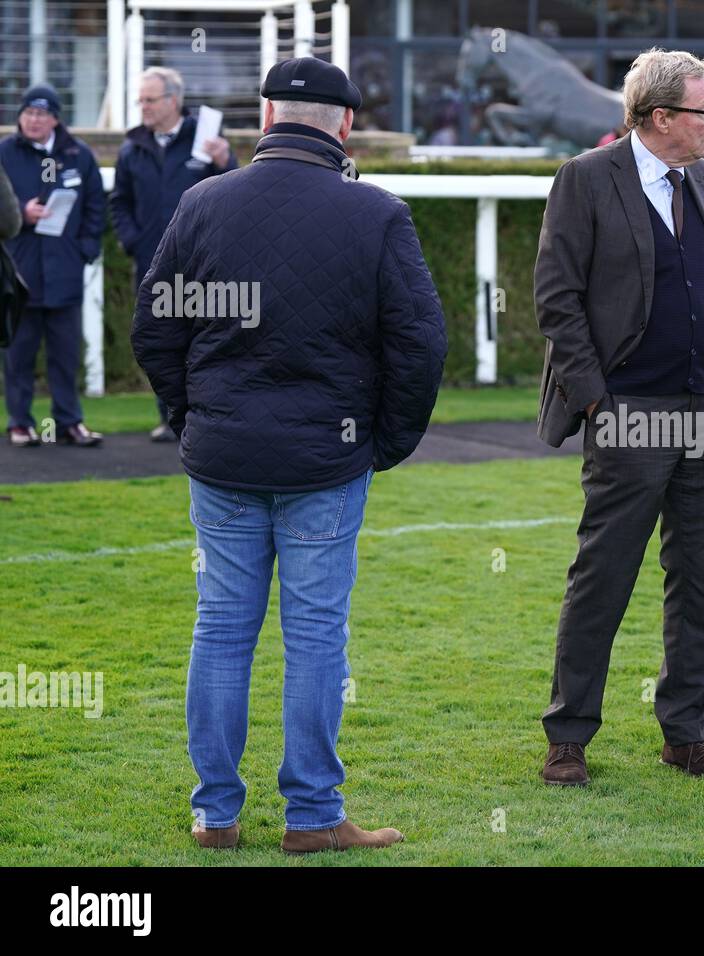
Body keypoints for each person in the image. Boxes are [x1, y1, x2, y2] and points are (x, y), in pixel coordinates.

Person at [131, 57, 447, 852]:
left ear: (265, 117)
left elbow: (155, 328)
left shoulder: (204, 202)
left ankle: (217, 814)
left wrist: (192, 414)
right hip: (324, 460)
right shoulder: (375, 213)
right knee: (314, 638)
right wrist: (386, 442)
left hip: (228, 453)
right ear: (343, 126)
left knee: (221, 631)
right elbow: (421, 344)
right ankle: (311, 816)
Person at [533, 49, 704, 786]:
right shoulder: (586, 180)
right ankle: (568, 738)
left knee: (703, 578)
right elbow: (557, 299)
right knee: (604, 575)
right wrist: (598, 398)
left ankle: (685, 734)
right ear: (660, 118)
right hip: (629, 413)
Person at [110, 67, 237, 442]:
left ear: (173, 101)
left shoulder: (207, 138)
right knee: (161, 339)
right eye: (141, 100)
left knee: (205, 339)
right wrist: (133, 240)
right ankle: (169, 419)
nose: (143, 107)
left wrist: (224, 162)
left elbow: (232, 192)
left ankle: (205, 417)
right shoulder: (132, 147)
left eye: (149, 100)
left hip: (202, 265)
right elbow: (119, 202)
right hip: (151, 265)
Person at [1, 84, 105, 447]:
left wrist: (85, 249)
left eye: (42, 114)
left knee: (65, 355)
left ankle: (69, 421)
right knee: (19, 356)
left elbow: (96, 206)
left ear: (56, 119)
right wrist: (21, 216)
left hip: (64, 272)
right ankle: (20, 422)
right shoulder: (5, 154)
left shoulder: (79, 154)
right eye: (28, 113)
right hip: (20, 274)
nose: (33, 120)